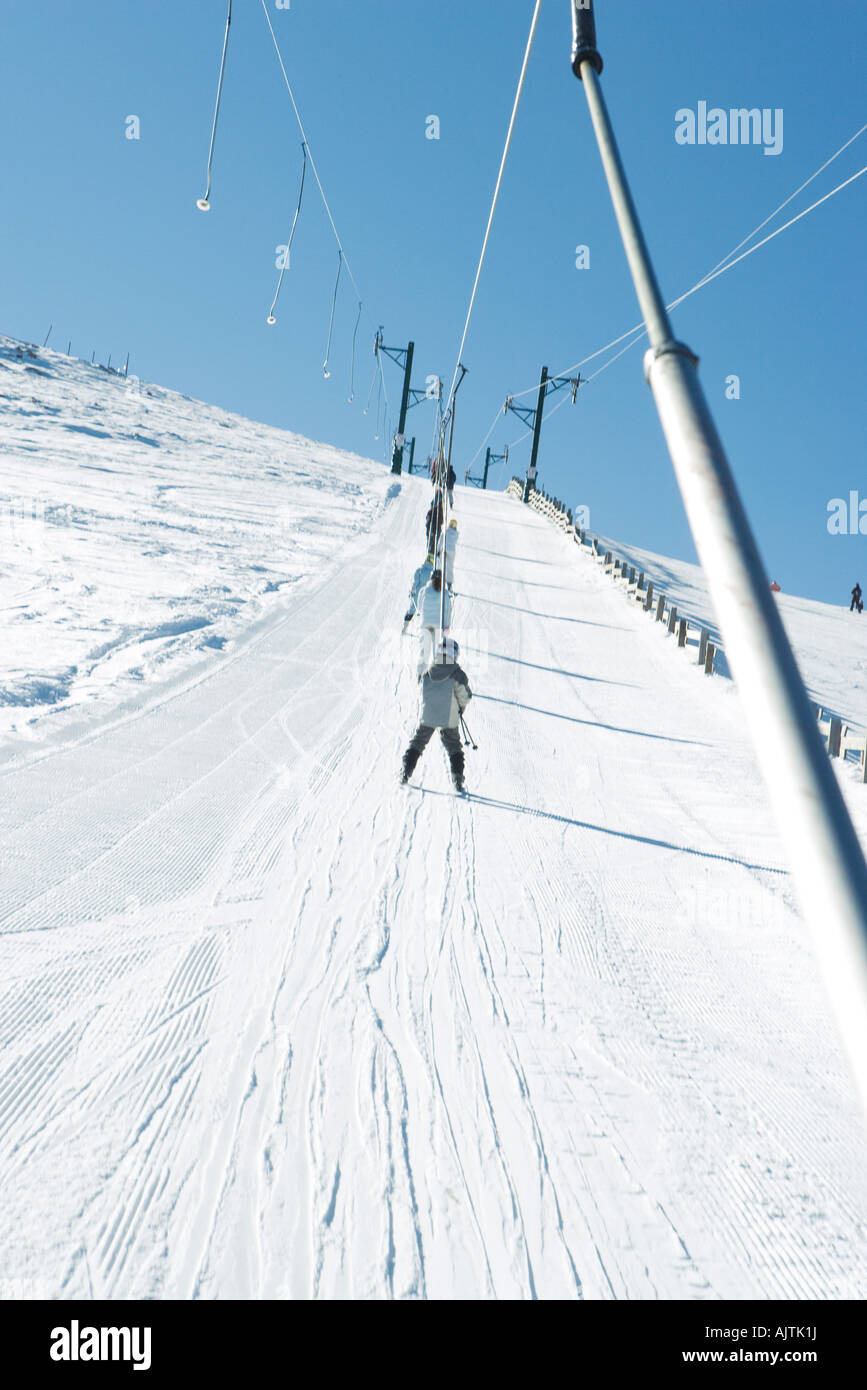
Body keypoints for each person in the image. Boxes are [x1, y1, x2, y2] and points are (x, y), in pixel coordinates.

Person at [401, 638, 472, 792]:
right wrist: (461, 707)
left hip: (429, 715)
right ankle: (458, 780)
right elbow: (465, 696)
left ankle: (406, 771)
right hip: (448, 717)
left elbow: (423, 689)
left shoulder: (427, 671)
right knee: (454, 746)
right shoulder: (457, 674)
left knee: (418, 742)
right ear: (454, 654)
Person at [417, 569, 451, 669]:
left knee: (424, 653)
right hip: (438, 625)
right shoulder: (444, 593)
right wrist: (447, 626)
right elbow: (447, 610)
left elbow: (419, 608)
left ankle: (420, 675)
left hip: (425, 624)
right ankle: (437, 675)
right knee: (437, 653)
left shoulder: (423, 590)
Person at [403, 553, 435, 627]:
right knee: (425, 611)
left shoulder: (420, 570)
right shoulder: (432, 573)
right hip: (426, 595)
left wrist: (412, 591)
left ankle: (405, 627)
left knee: (412, 609)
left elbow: (415, 582)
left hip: (417, 593)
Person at [444, 518, 458, 591]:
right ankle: (449, 584)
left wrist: (439, 550)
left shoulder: (446, 531)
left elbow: (442, 540)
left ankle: (440, 580)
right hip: (452, 551)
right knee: (450, 566)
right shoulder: (456, 534)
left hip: (445, 549)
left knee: (442, 564)